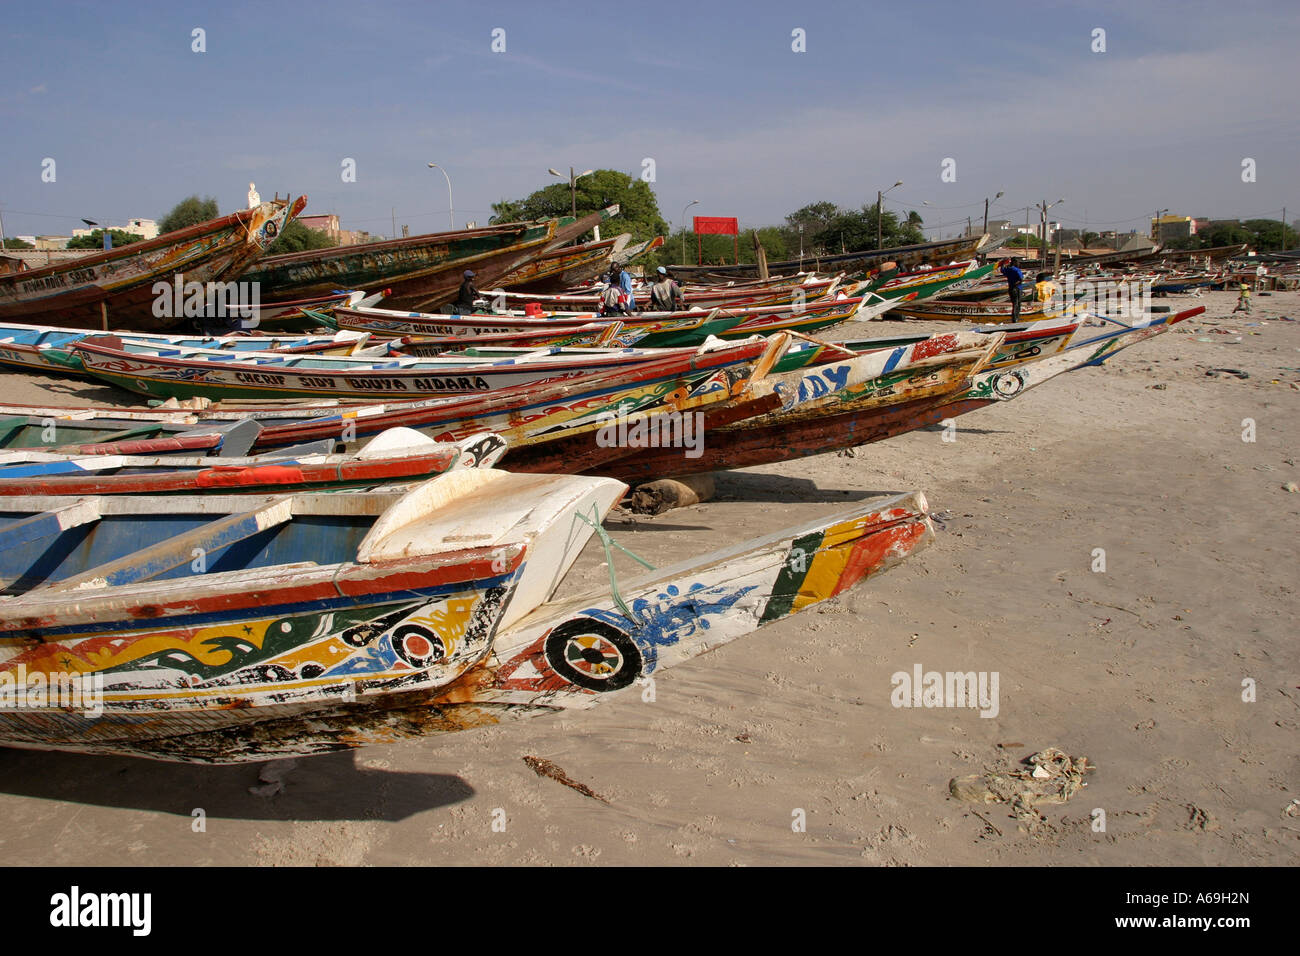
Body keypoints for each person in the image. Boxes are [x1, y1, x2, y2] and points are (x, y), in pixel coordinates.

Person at [1000, 257, 1025, 322]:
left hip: (1010, 288)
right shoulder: (1016, 270)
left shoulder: (1008, 269)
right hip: (1017, 288)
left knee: (1014, 304)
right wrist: (1015, 285)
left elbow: (1002, 270)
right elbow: (1021, 279)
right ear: (1014, 262)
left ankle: (1014, 318)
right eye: (1017, 262)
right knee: (1017, 304)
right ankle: (1016, 319)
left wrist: (1002, 263)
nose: (1018, 263)